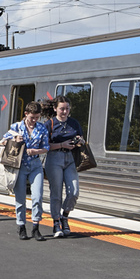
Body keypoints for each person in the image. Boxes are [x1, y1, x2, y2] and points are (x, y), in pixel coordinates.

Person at [13, 101, 54, 240]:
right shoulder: (17, 127)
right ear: (26, 114)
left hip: (35, 164)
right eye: (32, 117)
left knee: (37, 196)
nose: (34, 120)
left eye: (37, 117)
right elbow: (2, 142)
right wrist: (14, 139)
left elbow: (46, 147)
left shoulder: (41, 128)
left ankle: (36, 227)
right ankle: (21, 226)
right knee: (20, 198)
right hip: (20, 165)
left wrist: (36, 151)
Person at [46, 97, 86, 237]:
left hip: (70, 158)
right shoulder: (49, 124)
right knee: (56, 193)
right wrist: (62, 144)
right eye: (62, 108)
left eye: (67, 108)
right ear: (55, 109)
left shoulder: (74, 123)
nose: (65, 111)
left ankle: (65, 215)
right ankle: (56, 223)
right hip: (54, 158)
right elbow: (44, 146)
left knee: (74, 191)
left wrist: (79, 141)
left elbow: (82, 139)